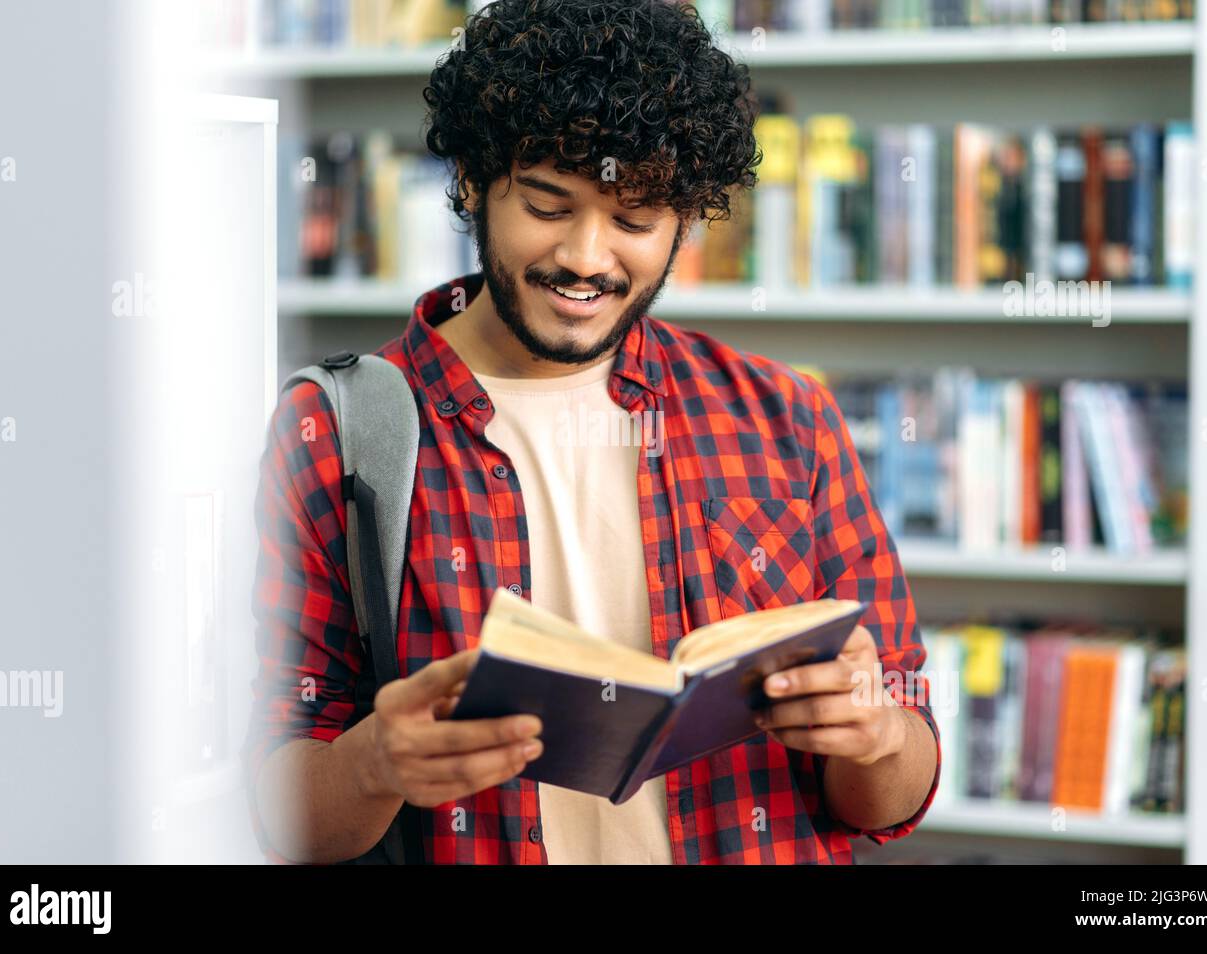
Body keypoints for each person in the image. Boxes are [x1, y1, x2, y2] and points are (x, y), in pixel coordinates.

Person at [243, 0, 939, 865]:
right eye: (546, 204)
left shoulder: (787, 416)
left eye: (637, 221)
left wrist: (874, 735)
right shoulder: (337, 432)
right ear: (469, 179)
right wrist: (376, 761)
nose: (586, 255)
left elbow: (894, 795)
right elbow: (283, 815)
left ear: (686, 222)